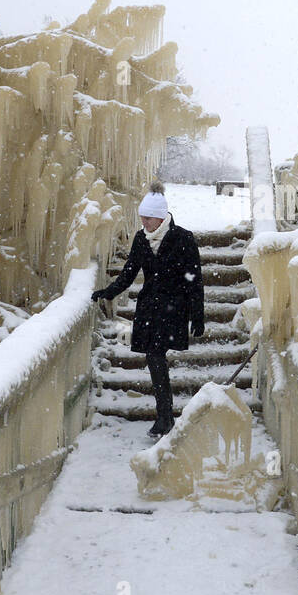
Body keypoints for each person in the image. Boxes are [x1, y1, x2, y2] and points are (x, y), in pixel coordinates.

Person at [90, 182, 205, 436]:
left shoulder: (183, 238)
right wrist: (108, 292)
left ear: (161, 216)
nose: (143, 222)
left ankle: (165, 416)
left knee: (155, 356)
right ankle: (165, 416)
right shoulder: (141, 239)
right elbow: (129, 272)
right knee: (154, 357)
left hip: (174, 308)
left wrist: (197, 315)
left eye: (148, 218)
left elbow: (194, 279)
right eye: (142, 217)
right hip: (149, 308)